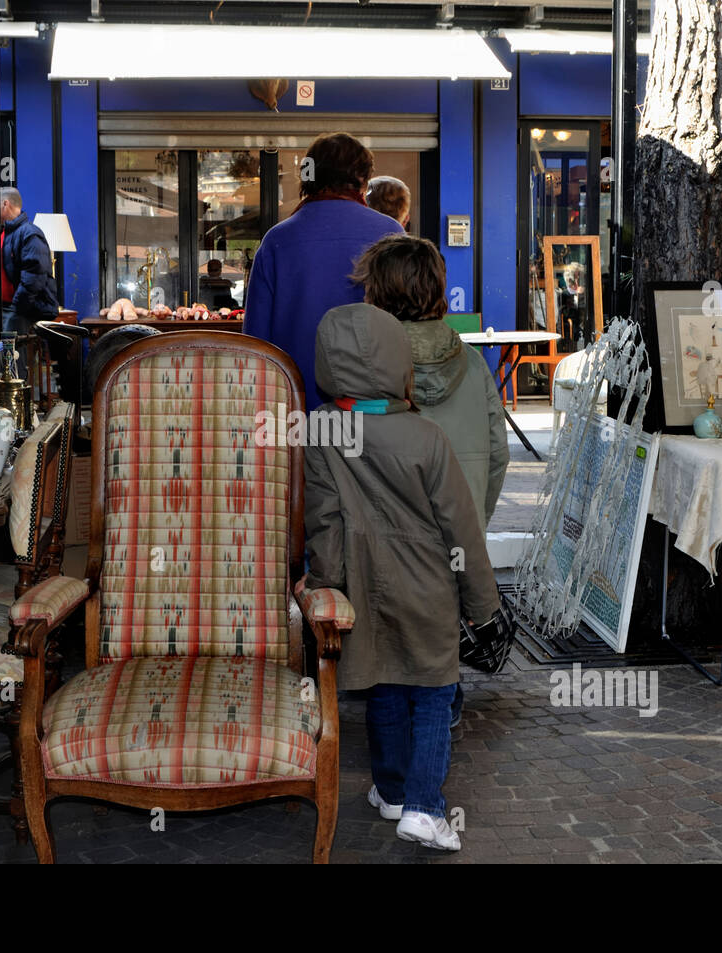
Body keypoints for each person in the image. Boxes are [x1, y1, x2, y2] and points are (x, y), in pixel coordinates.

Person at [303, 302, 500, 851]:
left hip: (367, 590)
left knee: (383, 687)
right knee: (434, 695)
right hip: (431, 589)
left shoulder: (322, 435)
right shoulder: (426, 436)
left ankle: (390, 791)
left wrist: (326, 586)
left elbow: (324, 527)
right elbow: (461, 528)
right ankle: (425, 809)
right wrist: (483, 604)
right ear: (398, 361)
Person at [351, 234, 508, 730]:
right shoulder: (474, 365)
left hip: (387, 544)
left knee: (389, 643)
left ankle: (397, 734)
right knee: (441, 633)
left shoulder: (365, 370)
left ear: (377, 293)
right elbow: (498, 456)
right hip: (456, 539)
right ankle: (443, 704)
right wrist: (473, 523)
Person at [243, 132, 403, 404]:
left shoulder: (277, 240)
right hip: (374, 407)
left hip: (295, 404)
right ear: (362, 179)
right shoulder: (391, 234)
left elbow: (255, 342)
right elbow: (407, 326)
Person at [0, 187, 59, 334]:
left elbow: (34, 276)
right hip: (7, 309)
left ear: (5, 204)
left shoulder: (30, 233)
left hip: (18, 311)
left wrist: (18, 307)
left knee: (14, 348)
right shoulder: (4, 233)